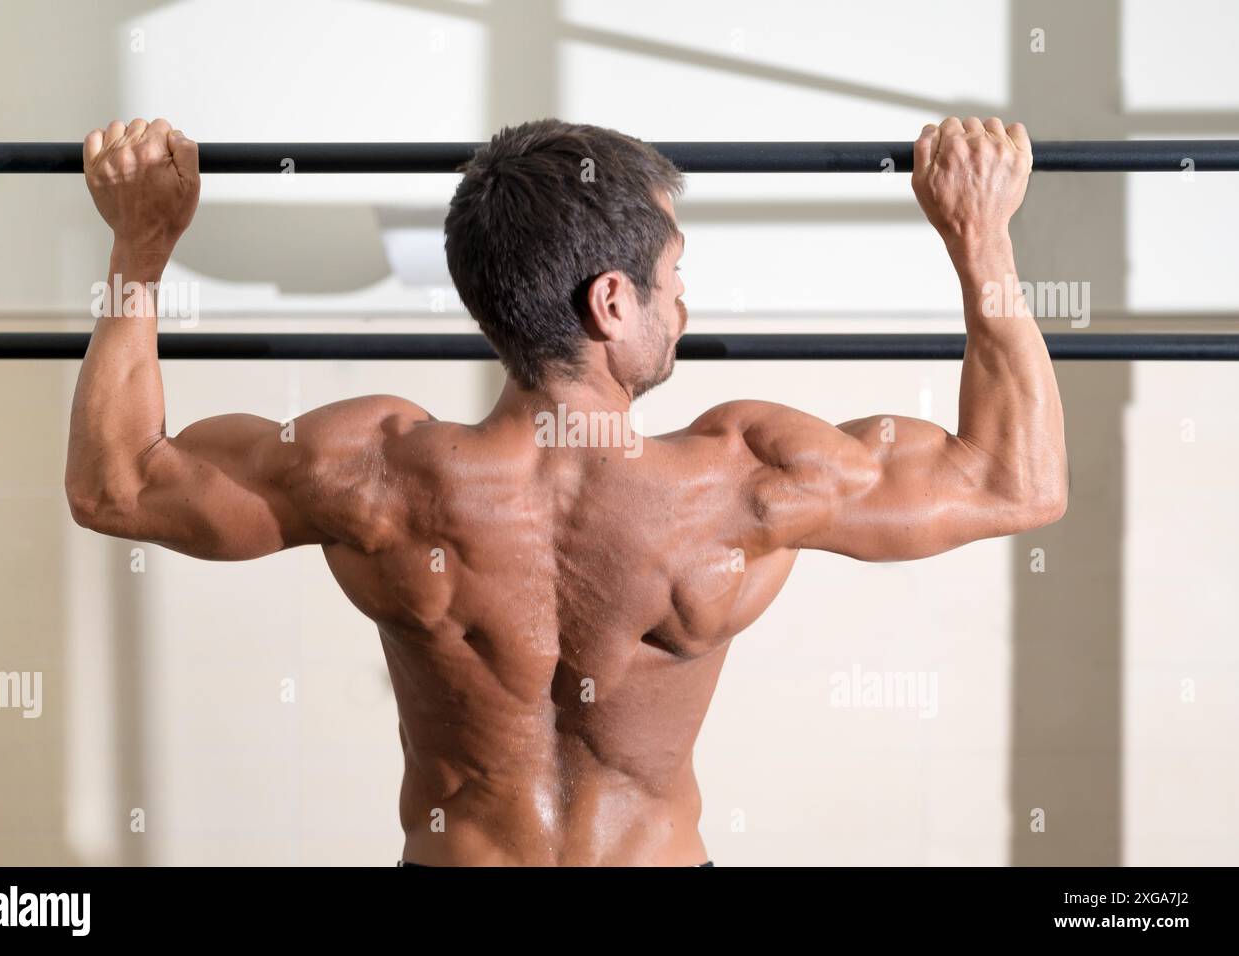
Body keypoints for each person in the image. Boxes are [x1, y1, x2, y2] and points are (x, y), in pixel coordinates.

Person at [66, 115, 1067, 866]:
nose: (686, 303)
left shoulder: (373, 470)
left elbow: (117, 483)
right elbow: (1013, 482)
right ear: (612, 298)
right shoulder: (741, 479)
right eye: (674, 277)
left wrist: (139, 248)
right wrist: (979, 235)